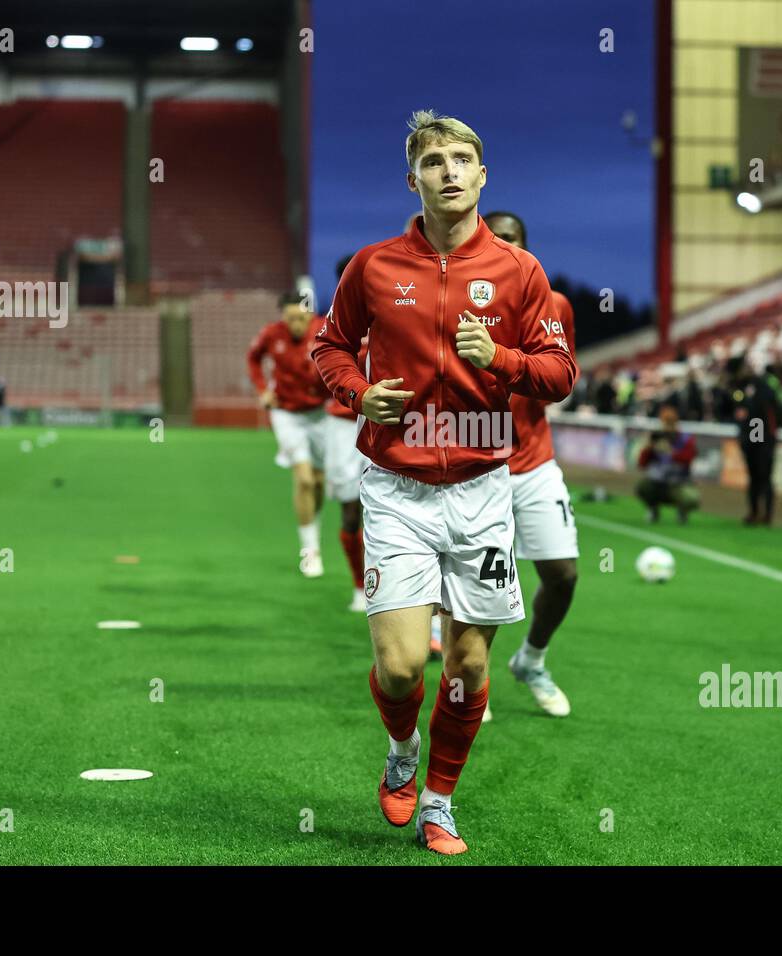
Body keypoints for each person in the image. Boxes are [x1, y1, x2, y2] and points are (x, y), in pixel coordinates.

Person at [310, 111, 577, 855]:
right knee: (399, 668)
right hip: (396, 485)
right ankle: (401, 751)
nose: (451, 171)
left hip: (486, 488)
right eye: (436, 162)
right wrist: (358, 396)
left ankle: (439, 799)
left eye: (464, 160)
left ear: (483, 177)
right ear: (414, 180)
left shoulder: (522, 273)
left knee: (465, 663)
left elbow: (559, 375)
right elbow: (329, 347)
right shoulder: (373, 267)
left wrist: (501, 358)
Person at [480, 210, 577, 719]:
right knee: (483, 585)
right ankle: (473, 678)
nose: (506, 246)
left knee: (562, 574)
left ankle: (531, 660)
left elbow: (559, 378)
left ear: (528, 245)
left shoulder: (553, 303)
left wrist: (503, 358)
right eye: (497, 238)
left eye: (514, 238)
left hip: (535, 461)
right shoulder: (460, 300)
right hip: (478, 467)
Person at [248, 291, 330, 577]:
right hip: (285, 413)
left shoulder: (324, 329)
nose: (296, 323)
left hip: (320, 414)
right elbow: (253, 358)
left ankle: (311, 527)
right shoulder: (271, 335)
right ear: (282, 316)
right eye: (290, 318)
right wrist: (262, 390)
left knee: (319, 483)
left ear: (310, 314)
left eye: (301, 317)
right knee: (305, 479)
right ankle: (309, 551)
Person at [323, 255, 371, 611]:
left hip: (386, 424)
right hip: (342, 426)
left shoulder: (392, 312)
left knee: (386, 512)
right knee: (350, 512)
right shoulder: (334, 325)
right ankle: (359, 584)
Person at [727, 355, 782, 525]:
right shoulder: (742, 388)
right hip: (753, 440)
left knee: (764, 477)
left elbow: (763, 416)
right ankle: (754, 512)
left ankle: (766, 514)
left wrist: (756, 440)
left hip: (762, 441)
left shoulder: (763, 385)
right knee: (754, 478)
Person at [636, 402, 699, 524]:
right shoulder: (656, 437)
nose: (668, 426)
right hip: (657, 482)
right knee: (643, 486)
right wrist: (649, 447)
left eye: (671, 422)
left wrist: (671, 453)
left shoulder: (685, 439)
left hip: (678, 483)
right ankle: (653, 508)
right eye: (666, 422)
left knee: (691, 498)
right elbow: (641, 464)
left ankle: (682, 510)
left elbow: (689, 458)